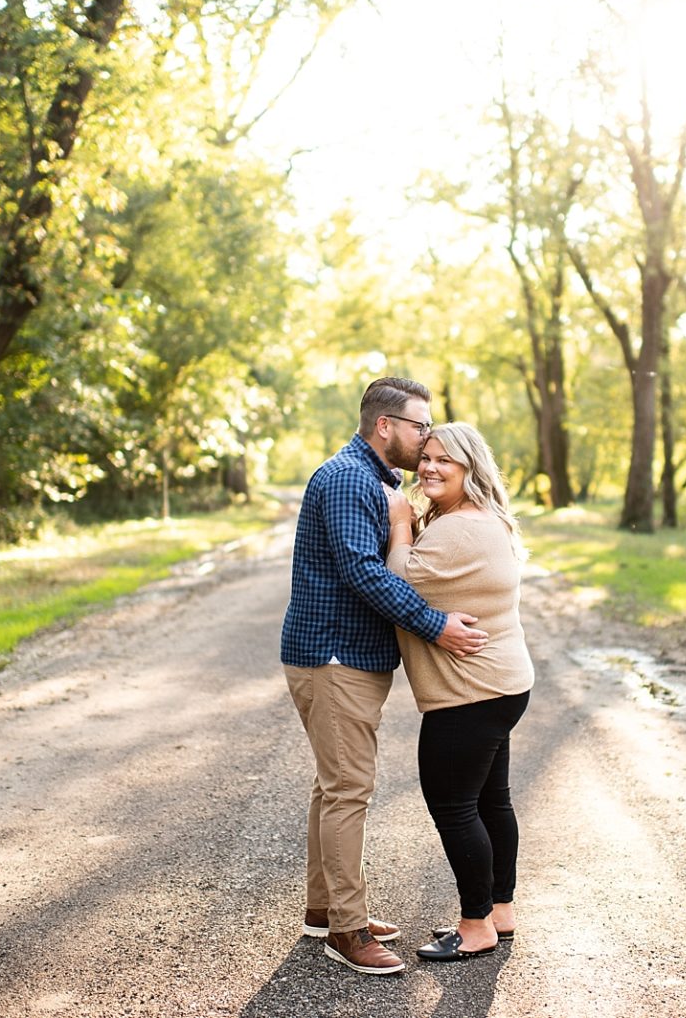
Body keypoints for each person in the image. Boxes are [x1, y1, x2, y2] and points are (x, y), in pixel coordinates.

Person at [280, 377, 490, 976]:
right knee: (349, 790)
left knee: (332, 786)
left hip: (342, 657)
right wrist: (436, 626)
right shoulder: (351, 479)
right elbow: (363, 573)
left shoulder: (374, 479)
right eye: (420, 426)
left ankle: (325, 910)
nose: (426, 438)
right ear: (385, 426)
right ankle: (346, 930)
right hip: (334, 657)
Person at [385, 422, 534, 963]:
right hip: (500, 686)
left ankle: (475, 926)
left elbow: (399, 577)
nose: (429, 467)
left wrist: (400, 521)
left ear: (471, 467)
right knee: (492, 801)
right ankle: (501, 909)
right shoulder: (478, 518)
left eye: (444, 460)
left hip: (471, 692)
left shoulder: (459, 529)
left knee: (453, 806)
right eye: (425, 457)